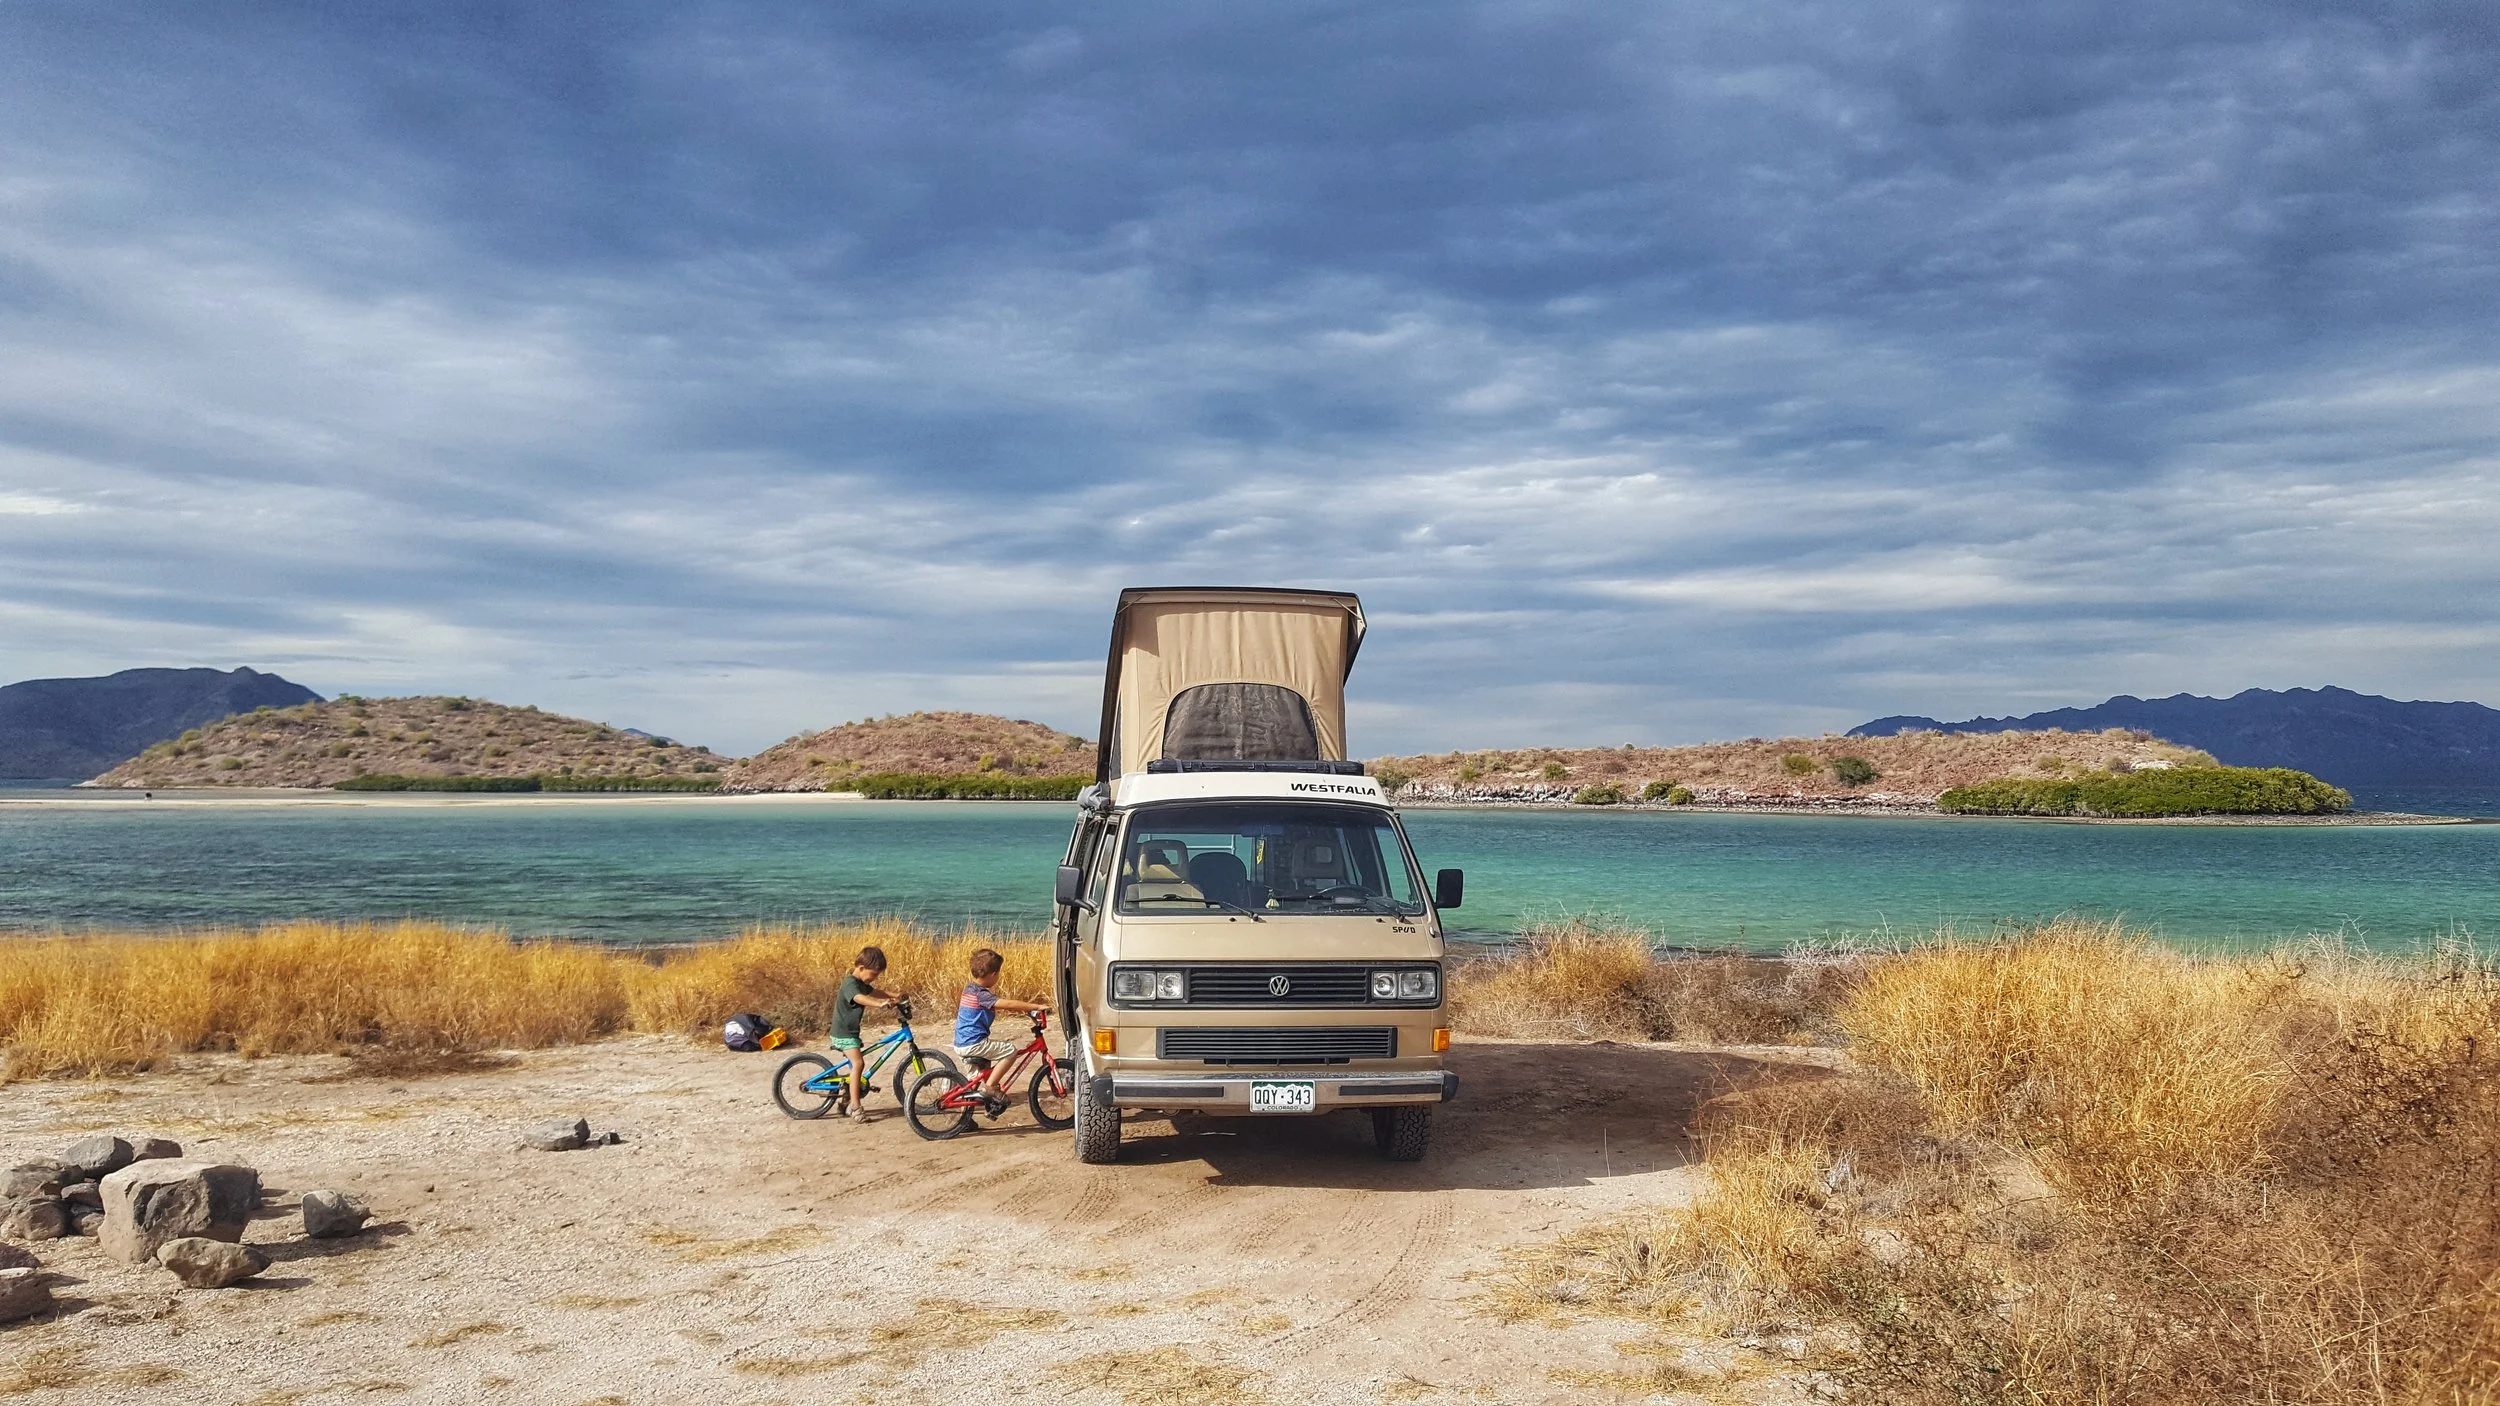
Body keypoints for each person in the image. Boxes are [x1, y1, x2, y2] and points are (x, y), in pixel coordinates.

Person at [954, 947, 1046, 1113]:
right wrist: (1035, 1006)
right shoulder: (982, 995)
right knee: (1010, 1051)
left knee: (973, 1082)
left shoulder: (969, 988)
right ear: (993, 974)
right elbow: (1008, 1004)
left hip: (962, 1042)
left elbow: (1007, 1006)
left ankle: (964, 1118)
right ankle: (989, 1088)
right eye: (998, 974)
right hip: (975, 1043)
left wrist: (1027, 1011)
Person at [831, 946, 897, 1124]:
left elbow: (874, 992)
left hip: (851, 1032)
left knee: (855, 1065)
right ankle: (855, 1107)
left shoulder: (861, 983)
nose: (874, 978)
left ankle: (846, 1097)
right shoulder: (850, 983)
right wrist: (879, 1004)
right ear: (861, 968)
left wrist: (894, 996)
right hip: (843, 1033)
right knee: (858, 1063)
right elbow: (859, 998)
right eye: (873, 974)